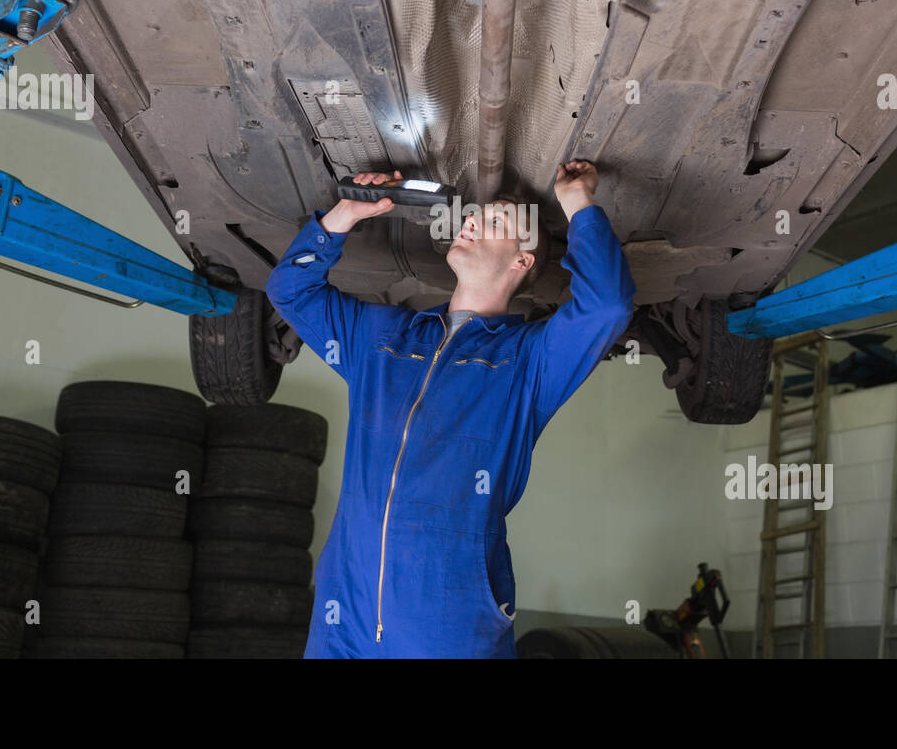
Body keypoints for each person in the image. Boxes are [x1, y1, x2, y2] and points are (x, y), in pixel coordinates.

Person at [265, 159, 636, 657]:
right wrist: (345, 214)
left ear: (522, 262)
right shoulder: (384, 338)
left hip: (448, 621)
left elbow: (608, 307)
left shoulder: (529, 364)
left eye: (496, 223)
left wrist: (576, 203)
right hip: (344, 616)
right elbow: (290, 290)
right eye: (476, 216)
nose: (472, 221)